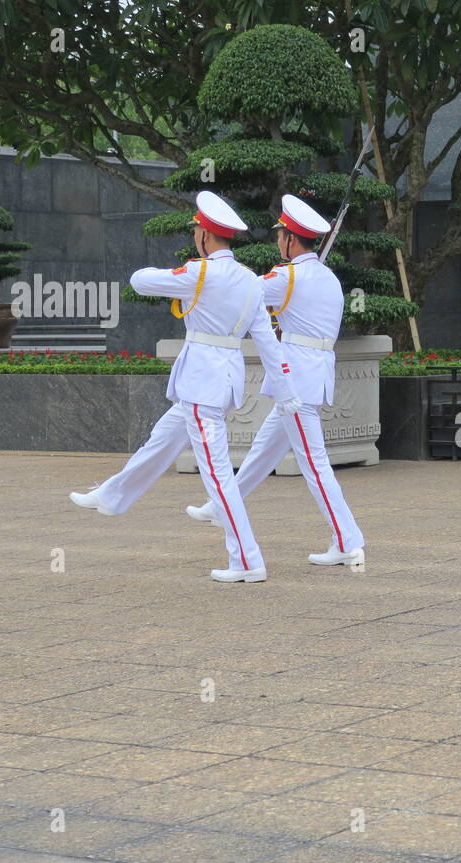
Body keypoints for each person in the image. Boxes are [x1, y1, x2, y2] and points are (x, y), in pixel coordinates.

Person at [68, 191, 297, 583]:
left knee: (218, 473)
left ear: (205, 236)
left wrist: (182, 274)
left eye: (196, 230)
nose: (195, 236)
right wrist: (288, 391)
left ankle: (248, 560)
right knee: (161, 441)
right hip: (219, 382)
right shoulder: (249, 281)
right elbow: (267, 343)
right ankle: (111, 496)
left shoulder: (200, 273)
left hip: (201, 385)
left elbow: (140, 282)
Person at [185, 194, 366, 568]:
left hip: (295, 382)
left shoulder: (287, 277)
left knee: (315, 465)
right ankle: (221, 505)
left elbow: (245, 293)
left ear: (290, 240)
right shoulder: (327, 277)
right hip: (312, 376)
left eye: (280, 235)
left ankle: (348, 540)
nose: (277, 240)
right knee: (263, 452)